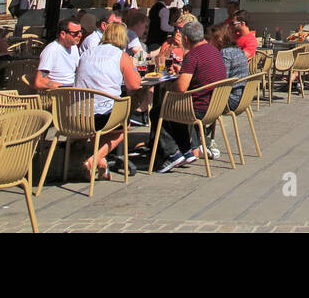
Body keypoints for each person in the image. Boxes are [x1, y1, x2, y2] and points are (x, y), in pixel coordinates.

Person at [157, 20, 229, 172]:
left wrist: (170, 86)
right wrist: (183, 72)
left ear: (185, 39)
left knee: (159, 110)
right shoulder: (213, 51)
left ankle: (172, 154)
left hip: (198, 108)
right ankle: (186, 150)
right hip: (215, 105)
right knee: (173, 107)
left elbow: (181, 88)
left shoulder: (192, 55)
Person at [73, 21, 142, 179]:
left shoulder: (86, 53)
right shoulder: (120, 56)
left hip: (78, 114)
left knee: (106, 117)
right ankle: (93, 160)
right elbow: (134, 85)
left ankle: (101, 162)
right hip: (100, 116)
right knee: (124, 125)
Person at [34, 17, 83, 90]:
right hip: (60, 94)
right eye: (75, 33)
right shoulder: (51, 51)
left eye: (81, 31)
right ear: (63, 34)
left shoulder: (74, 48)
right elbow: (40, 81)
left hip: (74, 89)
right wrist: (64, 86)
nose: (80, 35)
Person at [209, 24, 250, 109]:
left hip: (231, 100)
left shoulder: (225, 53)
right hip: (243, 98)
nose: (209, 42)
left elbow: (222, 81)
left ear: (219, 40)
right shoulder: (238, 51)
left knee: (196, 98)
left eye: (211, 39)